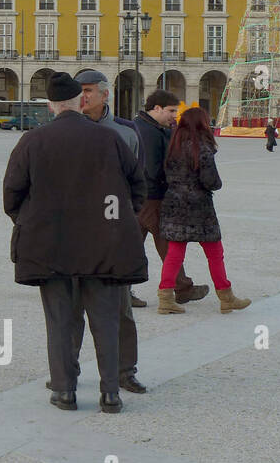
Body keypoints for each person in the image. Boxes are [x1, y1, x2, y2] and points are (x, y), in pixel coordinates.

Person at [3, 72, 146, 414]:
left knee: (60, 322)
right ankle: (111, 394)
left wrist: (33, 221)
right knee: (107, 322)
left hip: (51, 248)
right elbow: (137, 186)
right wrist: (115, 219)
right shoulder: (109, 139)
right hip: (104, 246)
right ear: (80, 102)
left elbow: (12, 195)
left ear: (51, 105)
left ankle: (65, 392)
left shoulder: (32, 141)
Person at [72, 68, 147, 391]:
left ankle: (125, 370)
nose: (83, 97)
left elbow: (136, 183)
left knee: (121, 309)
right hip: (72, 233)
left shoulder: (126, 132)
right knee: (70, 310)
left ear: (105, 94)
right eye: (79, 91)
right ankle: (66, 370)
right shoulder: (62, 131)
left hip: (112, 232)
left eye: (89, 90)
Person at [159, 107, 250, 314]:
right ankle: (226, 297)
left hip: (174, 203)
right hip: (199, 207)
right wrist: (217, 183)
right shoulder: (202, 147)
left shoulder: (173, 145)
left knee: (174, 253)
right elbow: (210, 181)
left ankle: (165, 298)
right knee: (215, 252)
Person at [133, 90, 208, 308]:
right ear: (156, 108)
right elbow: (152, 168)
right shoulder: (146, 131)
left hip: (145, 194)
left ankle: (120, 289)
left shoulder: (155, 127)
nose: (174, 115)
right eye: (171, 111)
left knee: (132, 243)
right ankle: (182, 288)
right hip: (152, 195)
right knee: (166, 240)